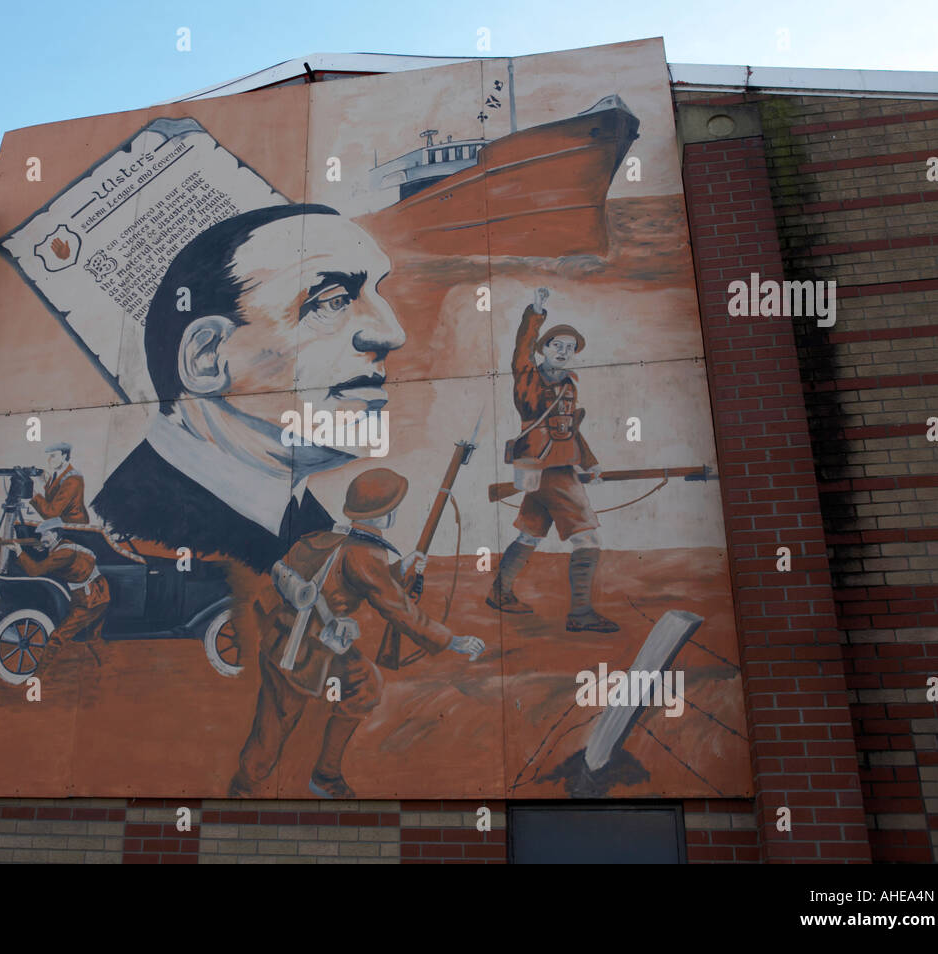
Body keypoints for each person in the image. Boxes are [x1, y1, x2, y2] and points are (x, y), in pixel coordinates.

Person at [92, 203, 407, 574]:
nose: (391, 334)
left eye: (377, 292)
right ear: (207, 357)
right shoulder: (133, 534)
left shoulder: (307, 527)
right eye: (333, 301)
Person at [230, 468, 485, 798]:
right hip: (302, 653)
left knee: (364, 684)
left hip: (285, 637)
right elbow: (398, 608)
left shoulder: (325, 539)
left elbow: (350, 580)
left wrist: (400, 569)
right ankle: (247, 790)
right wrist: (451, 640)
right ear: (385, 515)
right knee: (275, 726)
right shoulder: (365, 554)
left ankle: (322, 775)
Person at [487, 287, 619, 633]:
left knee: (530, 535)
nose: (563, 351)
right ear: (542, 349)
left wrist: (589, 462)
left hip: (553, 468)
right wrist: (535, 313)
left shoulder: (569, 385)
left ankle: (499, 592)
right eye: (556, 345)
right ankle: (581, 614)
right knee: (587, 539)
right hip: (549, 470)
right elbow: (520, 353)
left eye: (569, 348)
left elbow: (570, 429)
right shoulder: (529, 378)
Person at [5, 517, 109, 677]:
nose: (42, 539)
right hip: (94, 593)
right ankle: (107, 669)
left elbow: (35, 571)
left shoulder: (64, 552)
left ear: (54, 534)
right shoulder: (62, 545)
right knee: (92, 637)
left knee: (57, 637)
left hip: (91, 598)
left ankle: (37, 676)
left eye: (44, 535)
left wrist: (19, 552)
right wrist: (45, 548)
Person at [31, 442, 89, 524]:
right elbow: (54, 498)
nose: (49, 460)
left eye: (53, 456)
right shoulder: (58, 474)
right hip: (61, 522)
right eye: (48, 456)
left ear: (64, 456)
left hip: (73, 525)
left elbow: (51, 513)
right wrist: (46, 483)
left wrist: (33, 494)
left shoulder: (73, 480)